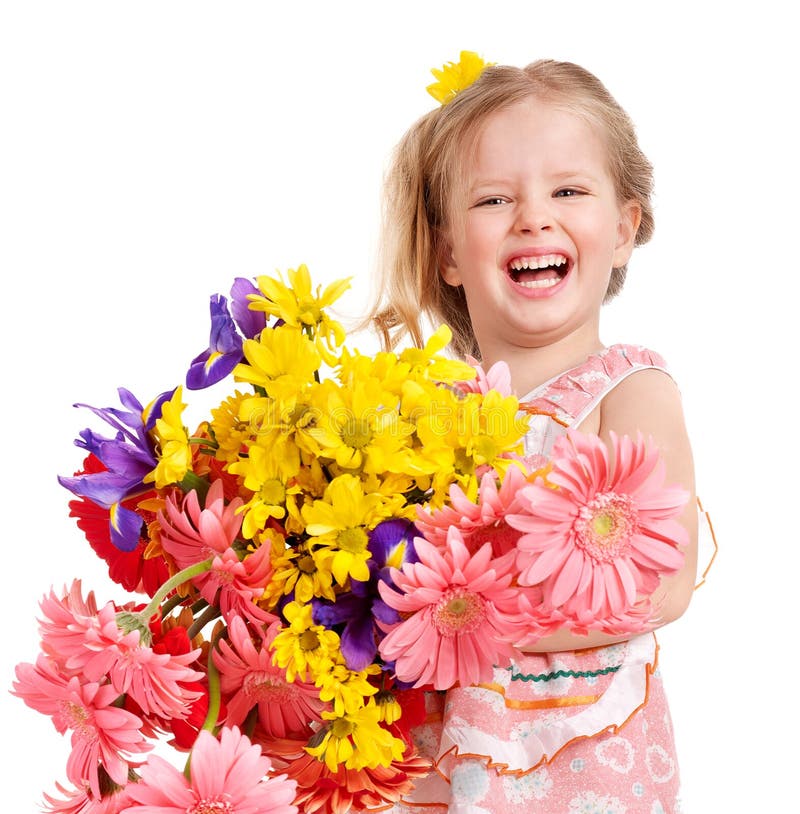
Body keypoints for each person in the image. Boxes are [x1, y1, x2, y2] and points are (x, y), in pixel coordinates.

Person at [366, 54, 699, 813]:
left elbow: (662, 581)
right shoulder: (416, 413)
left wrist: (468, 620)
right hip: (434, 771)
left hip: (586, 771)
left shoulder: (629, 391)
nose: (534, 217)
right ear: (448, 250)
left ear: (623, 229)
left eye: (568, 190)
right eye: (492, 199)